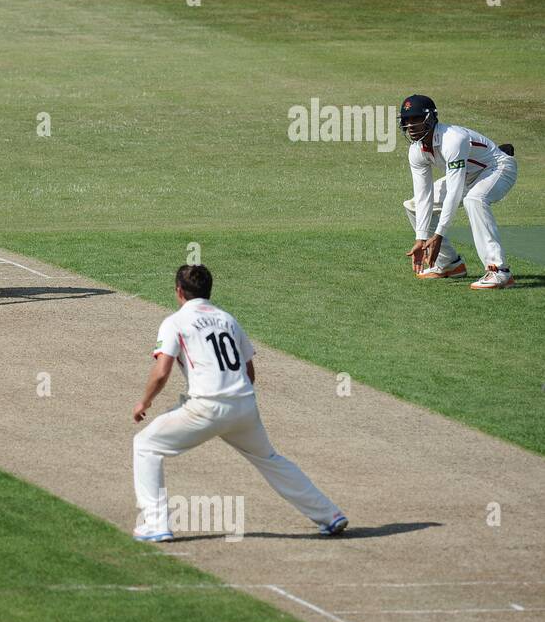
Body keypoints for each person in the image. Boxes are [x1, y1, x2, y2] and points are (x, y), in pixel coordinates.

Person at [130, 265, 347, 542]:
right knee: (270, 460)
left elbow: (162, 372)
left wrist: (143, 402)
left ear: (179, 291)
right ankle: (329, 515)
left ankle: (156, 524)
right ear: (209, 290)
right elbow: (250, 372)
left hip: (205, 407)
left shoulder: (175, 321)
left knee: (146, 445)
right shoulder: (228, 319)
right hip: (244, 404)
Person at [400, 94, 518, 289]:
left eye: (416, 119)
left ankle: (499, 271)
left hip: (498, 168)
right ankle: (449, 264)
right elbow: (424, 196)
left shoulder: (453, 139)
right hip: (467, 175)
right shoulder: (416, 150)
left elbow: (454, 193)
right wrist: (420, 238)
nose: (410, 126)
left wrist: (438, 235)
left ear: (430, 119)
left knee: (475, 199)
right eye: (407, 121)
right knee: (413, 206)